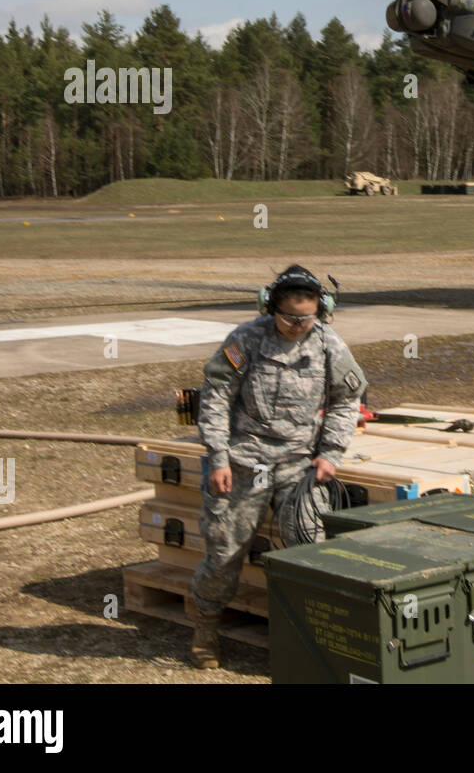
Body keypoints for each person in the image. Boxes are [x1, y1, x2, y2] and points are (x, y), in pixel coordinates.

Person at [187, 264, 367, 669]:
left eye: (305, 318)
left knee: (312, 545)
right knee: (224, 552)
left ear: (321, 311)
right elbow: (215, 396)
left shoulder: (328, 344)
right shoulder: (245, 339)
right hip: (243, 462)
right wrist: (217, 457)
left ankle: (308, 637)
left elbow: (346, 398)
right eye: (288, 317)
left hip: (298, 464)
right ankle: (205, 629)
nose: (296, 326)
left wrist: (330, 453)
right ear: (270, 308)